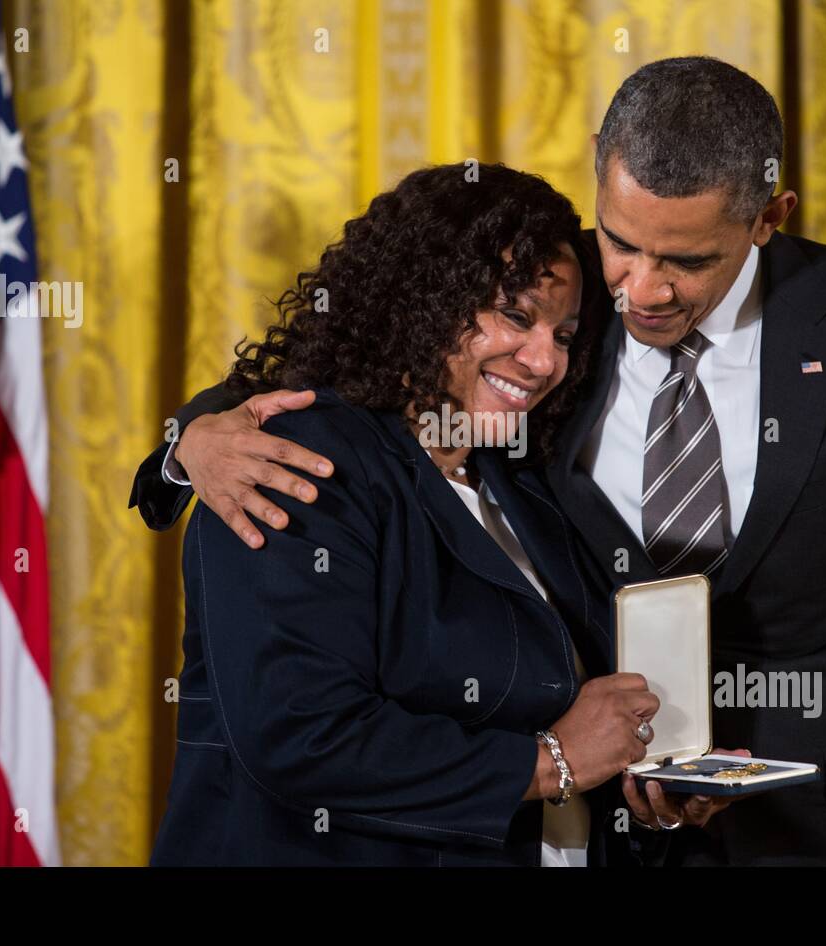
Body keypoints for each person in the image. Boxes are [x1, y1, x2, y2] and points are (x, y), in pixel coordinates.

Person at [135, 58, 826, 865]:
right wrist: (190, 440)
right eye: (622, 243)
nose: (644, 291)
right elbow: (340, 371)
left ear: (768, 216)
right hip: (602, 828)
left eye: (688, 261)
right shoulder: (542, 297)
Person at [149, 163, 727, 867]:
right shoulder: (290, 463)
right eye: (516, 316)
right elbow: (301, 734)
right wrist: (550, 762)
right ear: (423, 299)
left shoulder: (522, 484)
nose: (545, 360)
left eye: (567, 335)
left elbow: (565, 717)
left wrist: (646, 785)